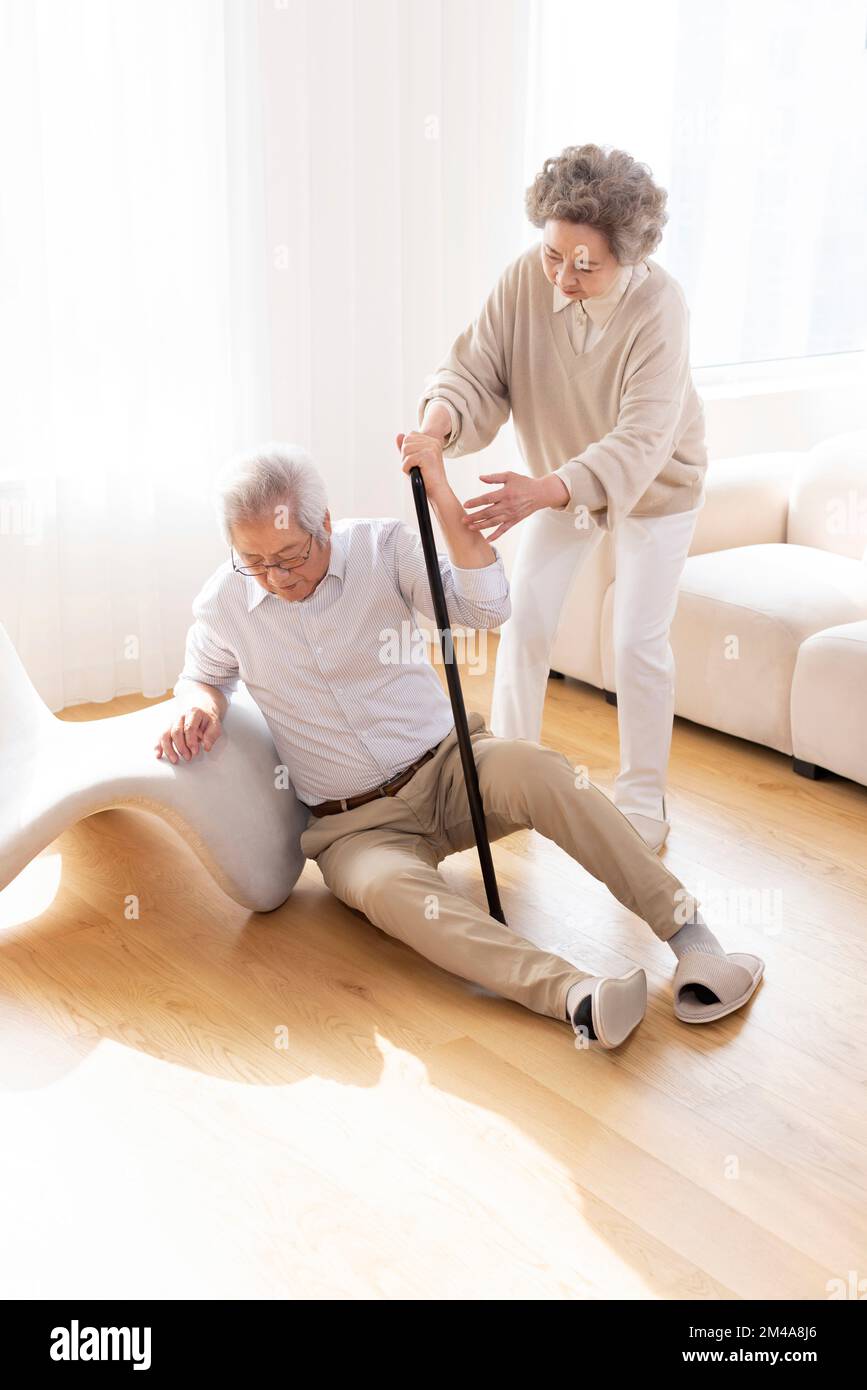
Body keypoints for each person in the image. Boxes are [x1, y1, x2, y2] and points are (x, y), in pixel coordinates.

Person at [156, 443, 763, 1052]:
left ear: (326, 525)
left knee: (545, 773)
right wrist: (200, 705)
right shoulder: (224, 604)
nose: (277, 577)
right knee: (389, 893)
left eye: (291, 556)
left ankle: (694, 941)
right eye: (254, 562)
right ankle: (575, 996)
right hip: (355, 828)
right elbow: (202, 674)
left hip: (453, 768)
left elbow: (485, 607)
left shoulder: (384, 548)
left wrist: (444, 495)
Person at [409, 143, 707, 853]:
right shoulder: (524, 281)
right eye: (553, 256)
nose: (564, 276)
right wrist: (435, 425)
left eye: (586, 265)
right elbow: (474, 368)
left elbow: (641, 437)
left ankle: (642, 799)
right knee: (526, 619)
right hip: (557, 481)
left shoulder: (658, 305)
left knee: (635, 640)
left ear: (628, 257)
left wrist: (541, 490)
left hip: (656, 486)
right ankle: (510, 778)